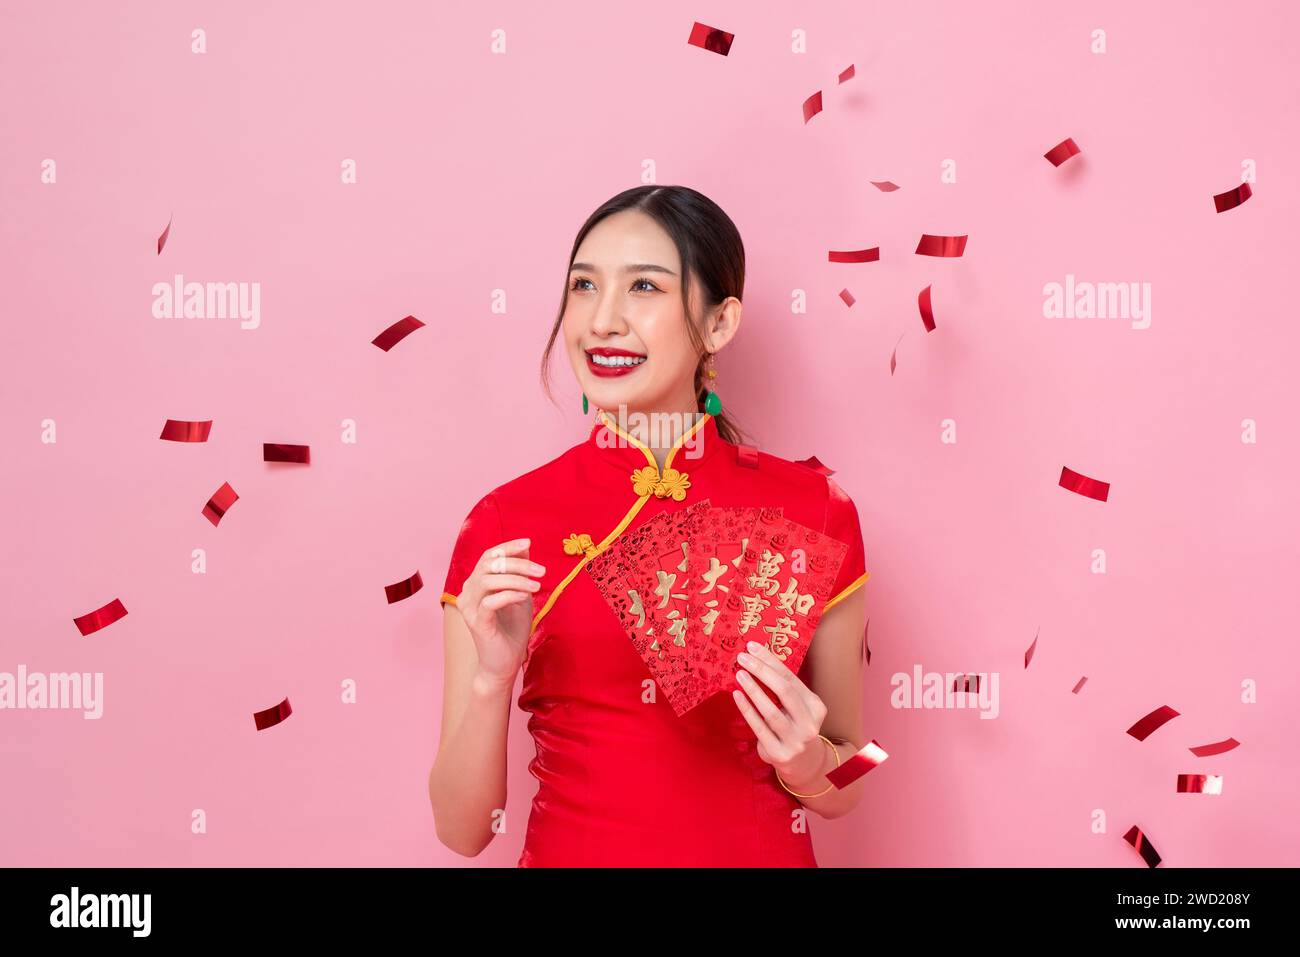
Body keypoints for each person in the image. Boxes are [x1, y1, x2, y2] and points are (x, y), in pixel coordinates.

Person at [428, 185, 871, 867]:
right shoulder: (504, 522)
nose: (602, 319)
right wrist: (492, 679)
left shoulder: (813, 508)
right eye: (583, 286)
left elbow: (854, 771)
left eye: (643, 287)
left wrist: (812, 763)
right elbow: (464, 831)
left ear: (720, 324)